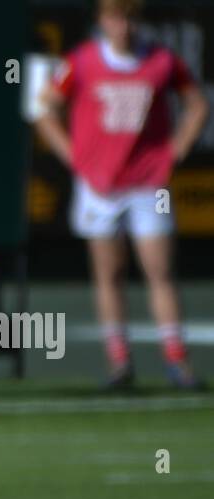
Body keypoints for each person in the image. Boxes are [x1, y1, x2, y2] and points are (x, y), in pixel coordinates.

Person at [36, 0, 208, 389]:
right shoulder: (80, 62)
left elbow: (196, 104)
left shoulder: (162, 61)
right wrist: (76, 158)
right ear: (102, 22)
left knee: (159, 270)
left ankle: (177, 360)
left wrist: (176, 149)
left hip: (148, 184)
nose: (123, 26)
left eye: (130, 17)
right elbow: (45, 109)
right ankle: (119, 362)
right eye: (115, 17)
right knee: (108, 272)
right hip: (99, 188)